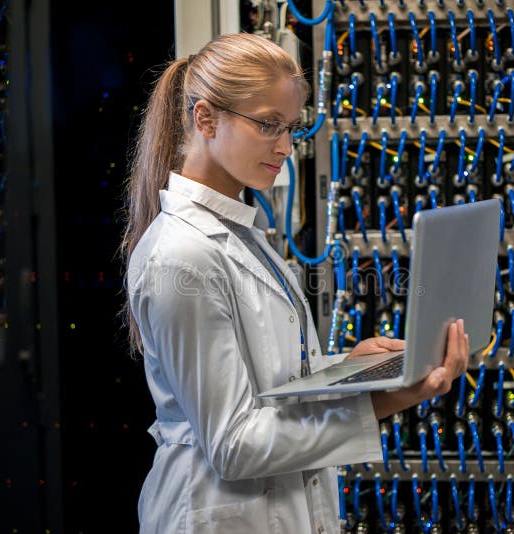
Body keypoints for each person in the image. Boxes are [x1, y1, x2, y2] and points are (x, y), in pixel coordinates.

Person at [121, 33, 469, 534]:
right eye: (268, 125)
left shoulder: (240, 234)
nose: (285, 147)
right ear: (205, 119)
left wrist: (347, 370)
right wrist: (386, 400)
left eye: (290, 128)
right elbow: (233, 444)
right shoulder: (183, 254)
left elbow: (266, 384)